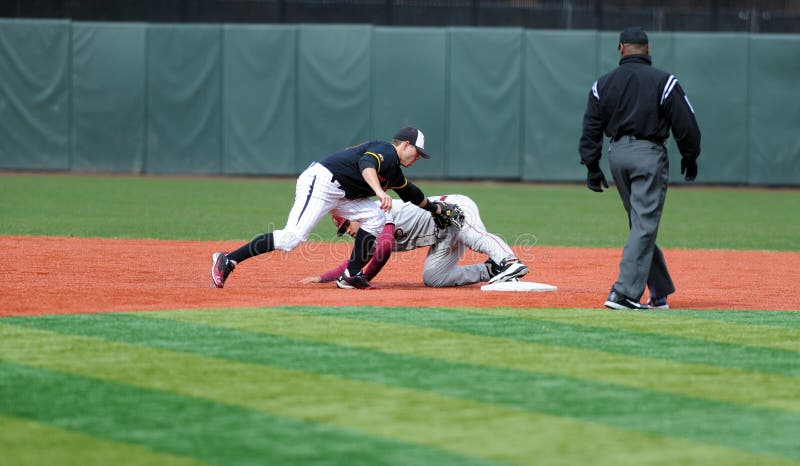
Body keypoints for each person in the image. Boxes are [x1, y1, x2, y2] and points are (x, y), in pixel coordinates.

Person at [211, 126, 452, 290]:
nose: (418, 157)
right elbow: (366, 163)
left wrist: (436, 210)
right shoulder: (386, 151)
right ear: (406, 145)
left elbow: (411, 193)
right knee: (292, 238)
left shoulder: (394, 170)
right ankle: (228, 259)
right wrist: (379, 192)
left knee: (376, 217)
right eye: (417, 152)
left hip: (342, 194)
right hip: (322, 182)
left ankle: (350, 275)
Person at [579, 26, 701, 310]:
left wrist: (591, 166)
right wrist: (690, 155)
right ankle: (623, 293)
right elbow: (685, 123)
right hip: (648, 153)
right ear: (648, 49)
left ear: (621, 48)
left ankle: (658, 292)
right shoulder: (664, 81)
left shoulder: (603, 84)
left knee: (640, 225)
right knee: (644, 225)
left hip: (617, 156)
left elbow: (591, 127)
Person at [300, 194, 529, 287]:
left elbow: (386, 248)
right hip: (441, 236)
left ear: (357, 216)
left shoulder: (381, 212)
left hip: (451, 209)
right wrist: (322, 278)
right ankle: (490, 269)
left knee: (470, 234)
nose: (347, 230)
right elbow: (352, 265)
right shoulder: (368, 238)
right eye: (342, 229)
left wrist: (365, 280)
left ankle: (509, 261)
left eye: (346, 224)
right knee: (433, 278)